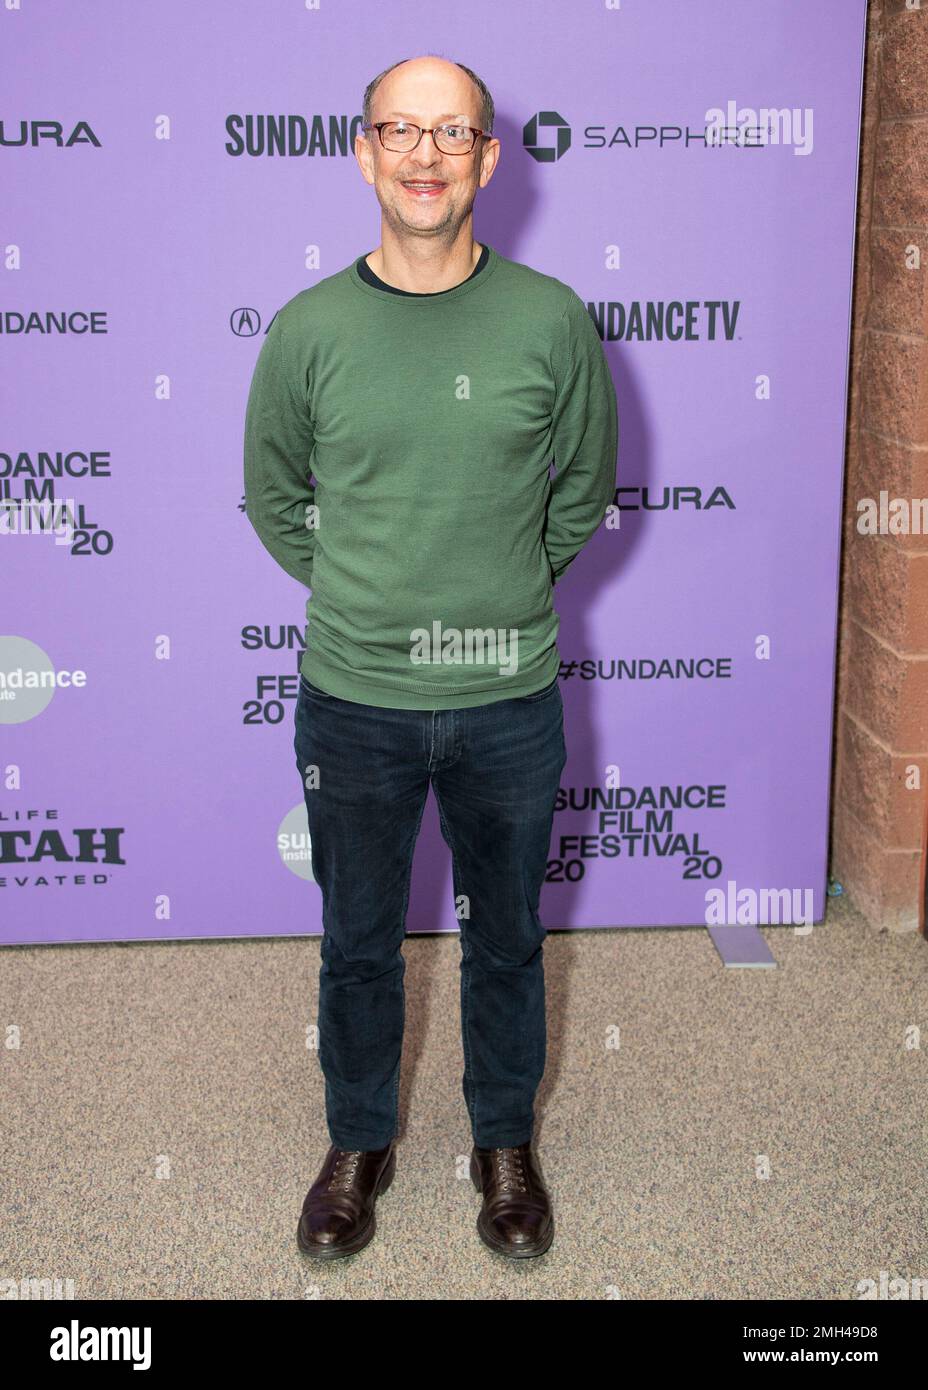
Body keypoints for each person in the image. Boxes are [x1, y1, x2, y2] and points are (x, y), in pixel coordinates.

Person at [243, 52, 619, 1261]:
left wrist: (502, 590)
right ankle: (359, 1139)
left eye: (449, 133)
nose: (422, 155)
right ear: (363, 153)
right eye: (398, 132)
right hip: (353, 701)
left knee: (507, 935)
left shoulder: (551, 318)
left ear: (486, 160)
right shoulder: (309, 329)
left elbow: (584, 493)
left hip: (509, 699)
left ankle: (504, 1141)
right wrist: (368, 601)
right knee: (357, 938)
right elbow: (269, 496)